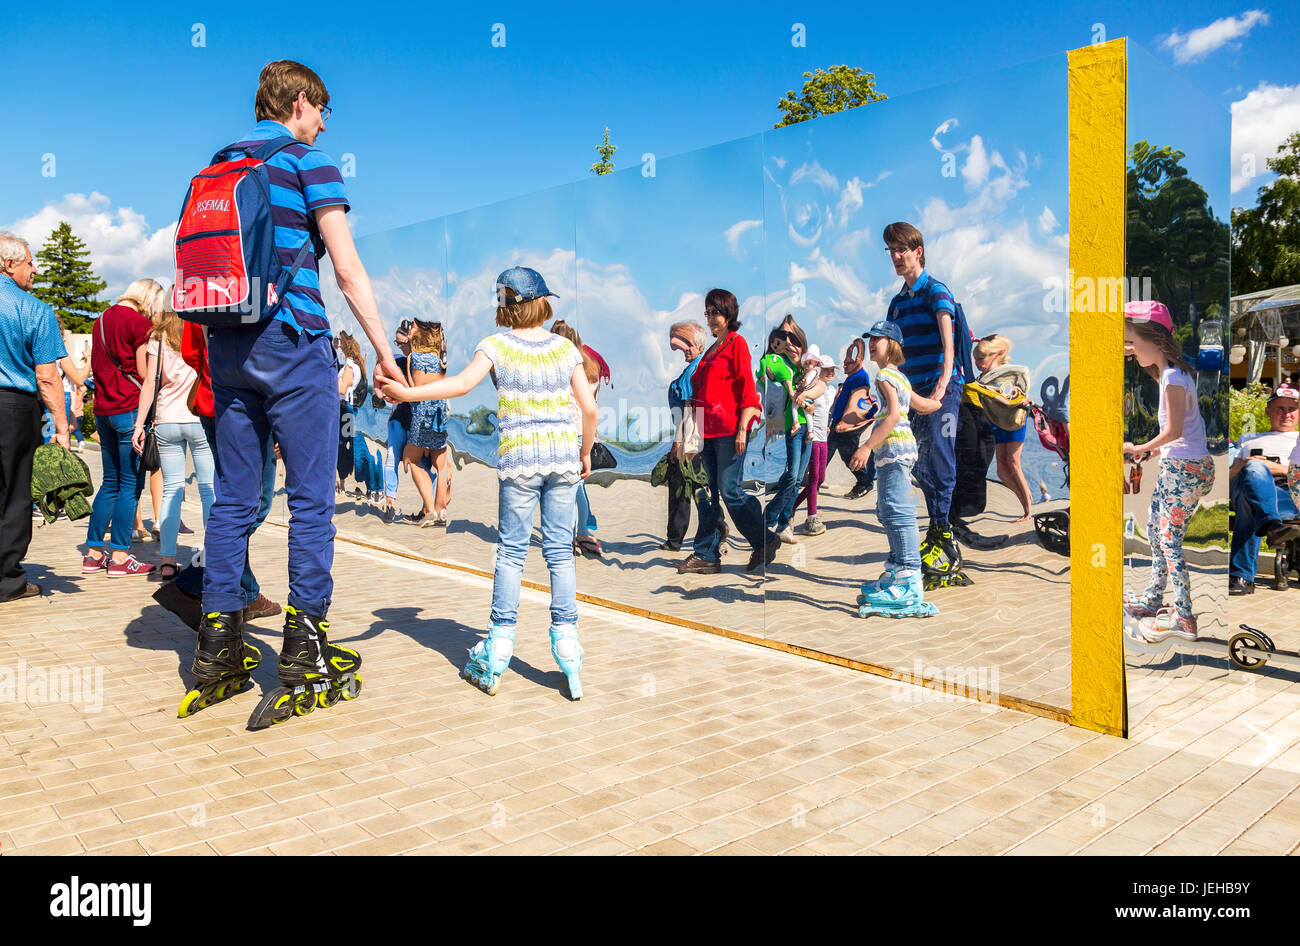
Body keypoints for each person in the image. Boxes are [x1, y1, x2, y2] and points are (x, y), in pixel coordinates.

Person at [192, 60, 400, 718]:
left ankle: (217, 643)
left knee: (231, 502)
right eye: (323, 111)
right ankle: (305, 644)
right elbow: (346, 266)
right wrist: (383, 351)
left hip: (227, 347)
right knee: (312, 500)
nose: (324, 123)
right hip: (293, 340)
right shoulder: (309, 160)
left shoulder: (220, 164)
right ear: (302, 103)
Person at [377, 266, 597, 699]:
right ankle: (568, 651)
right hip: (562, 462)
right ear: (541, 302)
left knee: (512, 553)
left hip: (520, 464)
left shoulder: (496, 345)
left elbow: (458, 385)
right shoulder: (563, 348)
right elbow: (589, 409)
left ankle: (498, 647)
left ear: (504, 305)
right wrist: (584, 450)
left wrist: (405, 394)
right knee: (558, 554)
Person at [152, 321, 280, 630]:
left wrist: (214, 377)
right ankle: (192, 583)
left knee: (233, 501)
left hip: (212, 402)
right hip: (248, 408)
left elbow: (191, 352)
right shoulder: (252, 286)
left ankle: (246, 592)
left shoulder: (202, 288)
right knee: (251, 505)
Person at [1122, 300, 1215, 642]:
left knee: (1168, 541)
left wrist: (1139, 448)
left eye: (1132, 341)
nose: (1128, 350)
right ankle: (1151, 599)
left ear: (1157, 340)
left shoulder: (1174, 376)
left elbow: (1175, 431)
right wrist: (1155, 452)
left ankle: (1185, 617)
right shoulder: (1169, 376)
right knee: (1154, 531)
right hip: (1179, 464)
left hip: (1185, 469)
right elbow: (1183, 432)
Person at [677, 289, 779, 575]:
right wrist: (687, 434)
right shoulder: (710, 350)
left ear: (729, 313)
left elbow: (748, 391)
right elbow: (697, 393)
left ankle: (765, 540)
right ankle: (707, 554)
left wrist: (742, 431)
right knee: (711, 493)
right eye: (707, 313)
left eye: (715, 313)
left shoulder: (737, 344)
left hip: (729, 432)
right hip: (706, 434)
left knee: (730, 492)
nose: (710, 319)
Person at [883, 222, 965, 575]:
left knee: (940, 457)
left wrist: (942, 387)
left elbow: (948, 344)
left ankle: (944, 532)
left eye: (902, 249)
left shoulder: (936, 290)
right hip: (911, 393)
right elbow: (892, 352)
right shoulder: (897, 303)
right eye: (891, 250)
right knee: (918, 460)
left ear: (918, 250)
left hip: (940, 388)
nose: (896, 256)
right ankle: (937, 526)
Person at [851, 320, 941, 617]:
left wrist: (866, 447)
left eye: (880, 338)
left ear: (893, 345)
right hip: (899, 451)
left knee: (898, 512)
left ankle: (909, 578)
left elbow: (890, 416)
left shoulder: (885, 376)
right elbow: (920, 405)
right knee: (889, 510)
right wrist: (939, 400)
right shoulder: (900, 377)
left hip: (893, 451)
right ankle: (894, 571)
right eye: (871, 339)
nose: (873, 343)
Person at [0, 233, 69, 602]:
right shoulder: (35, 310)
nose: (35, 269)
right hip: (13, 408)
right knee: (14, 495)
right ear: (9, 265)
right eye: (29, 262)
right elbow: (47, 376)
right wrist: (62, 428)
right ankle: (7, 581)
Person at [83, 278, 164, 579]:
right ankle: (119, 555)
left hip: (103, 409)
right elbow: (145, 373)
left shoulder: (101, 319)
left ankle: (93, 552)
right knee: (131, 486)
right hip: (130, 408)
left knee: (110, 483)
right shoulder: (139, 323)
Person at [130, 307, 213, 581]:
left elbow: (149, 384)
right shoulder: (202, 328)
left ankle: (167, 561)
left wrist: (140, 424)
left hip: (166, 419)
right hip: (199, 415)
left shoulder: (159, 337)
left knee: (171, 491)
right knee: (208, 490)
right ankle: (213, 555)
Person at [1229, 383, 1300, 594]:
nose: (1286, 413)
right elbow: (1228, 479)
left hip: (1287, 495)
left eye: (1292, 409)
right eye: (1281, 408)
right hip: (1246, 486)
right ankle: (1273, 525)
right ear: (1268, 411)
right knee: (1252, 476)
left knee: (1249, 500)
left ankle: (1241, 578)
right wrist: (1244, 464)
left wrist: (1271, 467)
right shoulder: (1248, 439)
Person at [758, 319, 824, 542]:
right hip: (789, 426)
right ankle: (768, 519)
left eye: (794, 339)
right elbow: (765, 370)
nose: (789, 344)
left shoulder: (807, 366)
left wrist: (806, 397)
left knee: (798, 478)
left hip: (810, 426)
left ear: (802, 341)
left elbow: (822, 383)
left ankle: (784, 525)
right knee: (792, 474)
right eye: (783, 338)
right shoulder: (779, 363)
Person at [551, 319, 602, 555]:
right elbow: (592, 406)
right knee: (578, 487)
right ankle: (582, 531)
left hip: (565, 432)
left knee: (567, 489)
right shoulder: (590, 367)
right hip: (585, 431)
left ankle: (569, 536)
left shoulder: (563, 366)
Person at [661, 321, 711, 551]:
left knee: (682, 487)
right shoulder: (698, 366)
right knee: (697, 485)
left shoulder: (696, 370)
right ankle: (714, 526)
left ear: (700, 346)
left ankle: (675, 541)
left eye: (688, 346)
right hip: (697, 437)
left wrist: (678, 442)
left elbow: (690, 408)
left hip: (691, 437)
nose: (685, 351)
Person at [973, 334, 1033, 520]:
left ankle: (1028, 510)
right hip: (995, 422)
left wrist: (1021, 397)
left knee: (1013, 462)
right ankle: (1025, 500)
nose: (977, 363)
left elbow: (1023, 393)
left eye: (981, 358)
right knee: (1001, 469)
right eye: (975, 359)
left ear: (998, 354)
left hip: (1014, 420)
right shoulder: (981, 380)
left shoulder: (1011, 374)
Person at [404, 318, 453, 527]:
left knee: (411, 459)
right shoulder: (441, 361)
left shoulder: (412, 358)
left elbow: (411, 388)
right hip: (439, 416)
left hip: (421, 414)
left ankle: (429, 509)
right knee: (440, 464)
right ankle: (442, 510)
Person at [793, 349, 837, 535]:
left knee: (821, 479)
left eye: (833, 370)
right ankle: (811, 518)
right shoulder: (812, 385)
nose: (830, 373)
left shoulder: (831, 389)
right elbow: (800, 399)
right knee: (813, 479)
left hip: (824, 438)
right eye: (826, 369)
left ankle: (791, 506)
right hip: (812, 438)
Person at [827, 338, 876, 499]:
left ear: (859, 360)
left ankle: (865, 482)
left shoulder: (860, 377)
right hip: (839, 422)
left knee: (846, 454)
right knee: (843, 454)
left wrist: (844, 423)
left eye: (848, 363)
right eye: (844, 363)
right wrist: (852, 348)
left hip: (846, 424)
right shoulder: (852, 377)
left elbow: (857, 401)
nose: (844, 366)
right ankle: (863, 481)